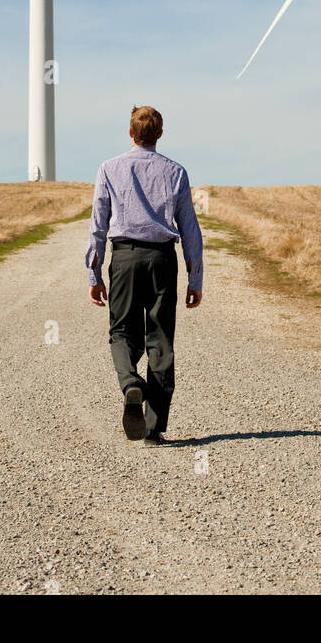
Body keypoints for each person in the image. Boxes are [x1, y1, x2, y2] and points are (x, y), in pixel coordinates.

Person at [86, 106, 203, 445]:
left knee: (122, 331)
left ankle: (130, 383)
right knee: (161, 340)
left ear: (130, 132)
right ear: (160, 135)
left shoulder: (109, 169)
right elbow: (191, 230)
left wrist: (95, 274)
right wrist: (195, 280)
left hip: (123, 258)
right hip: (163, 260)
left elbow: (98, 225)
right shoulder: (176, 172)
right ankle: (153, 429)